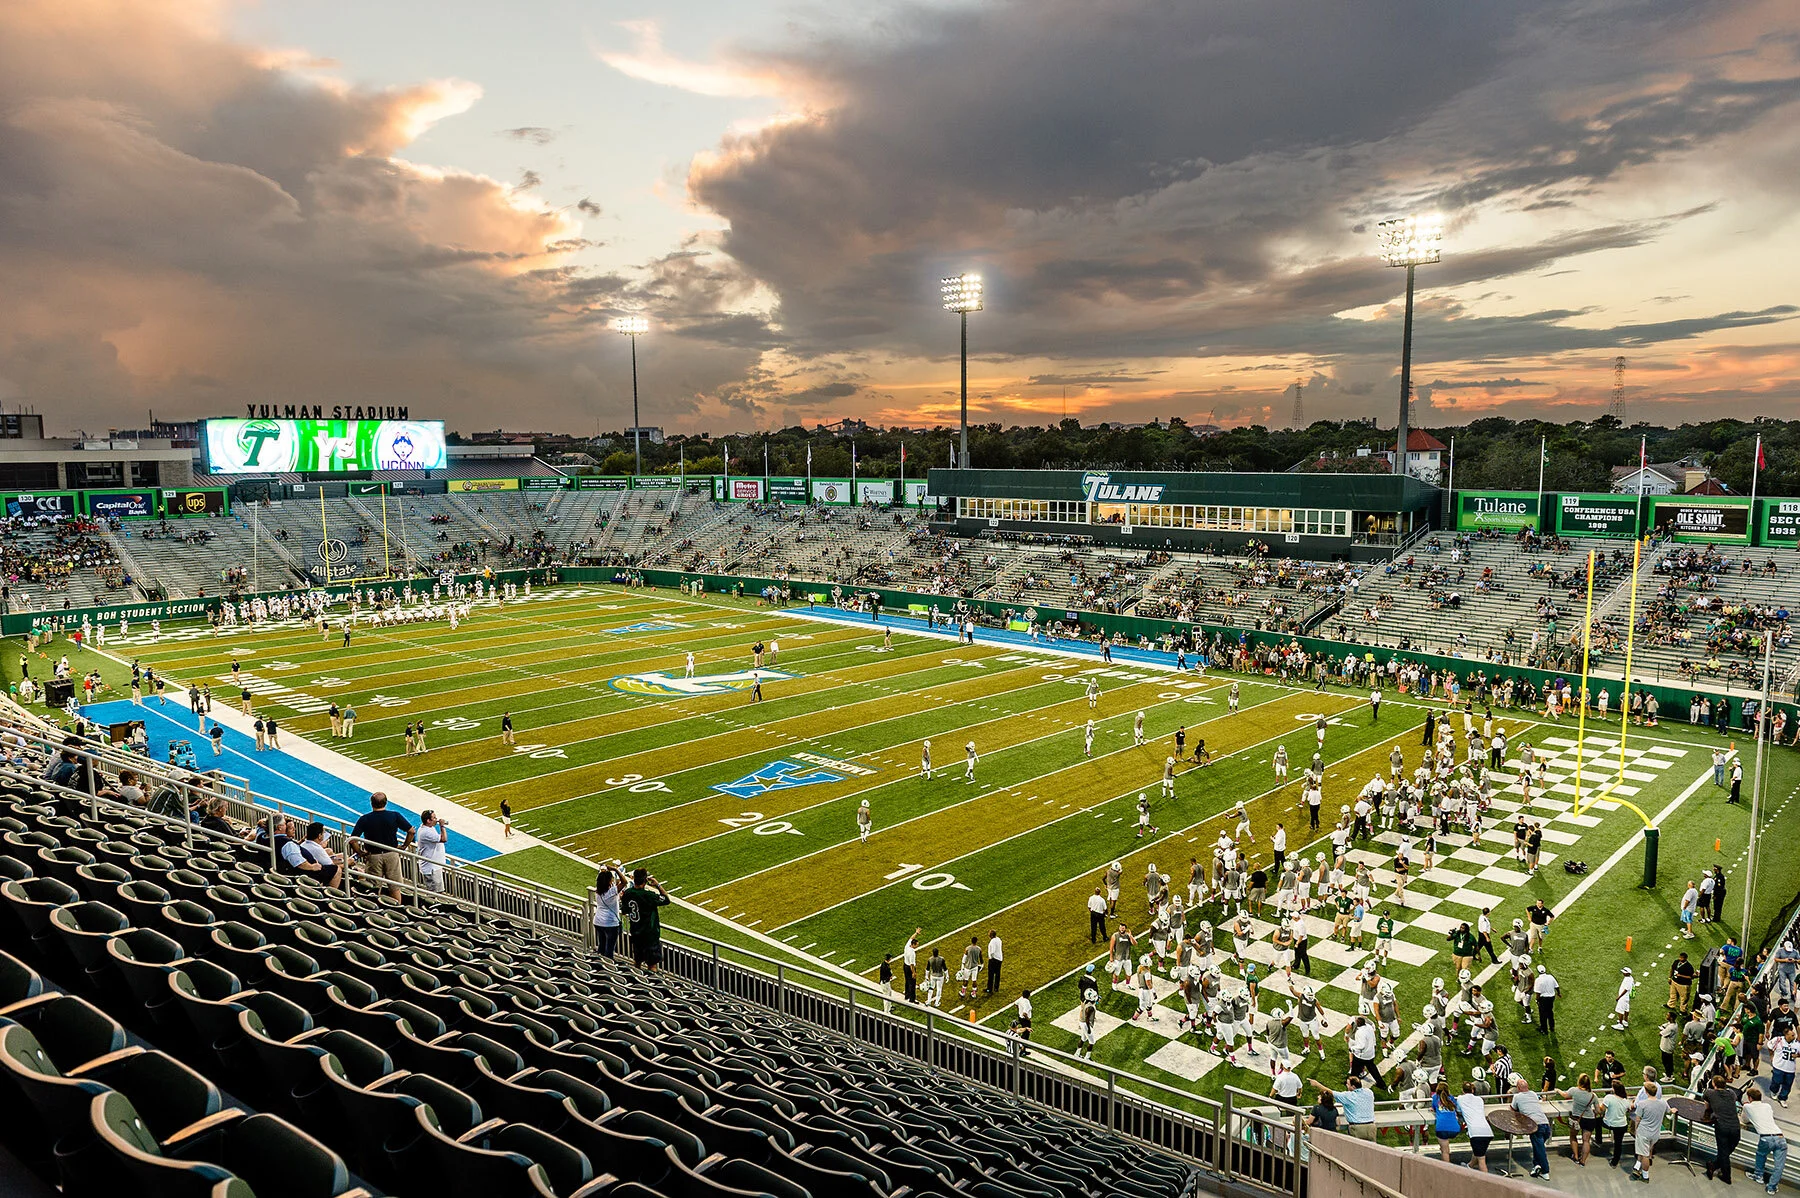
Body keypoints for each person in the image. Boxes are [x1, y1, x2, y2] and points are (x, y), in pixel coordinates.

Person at [350, 792, 415, 901]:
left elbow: (352, 840)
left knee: (373, 887)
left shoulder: (365, 819)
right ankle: (398, 910)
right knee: (395, 887)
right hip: (391, 854)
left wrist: (360, 852)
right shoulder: (394, 815)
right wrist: (404, 846)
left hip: (374, 856)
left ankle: (376, 908)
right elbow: (411, 831)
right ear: (386, 802)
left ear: (371, 803)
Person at [621, 868, 671, 972]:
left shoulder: (628, 893)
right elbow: (666, 900)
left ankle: (636, 980)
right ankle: (653, 984)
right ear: (645, 881)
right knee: (652, 965)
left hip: (635, 932)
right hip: (649, 935)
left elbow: (624, 910)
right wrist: (657, 885)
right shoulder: (648, 895)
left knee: (637, 962)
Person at [1744, 1085, 1787, 1193]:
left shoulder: (1747, 1107)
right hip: (1780, 1136)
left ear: (1750, 1098)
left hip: (1766, 1138)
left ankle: (1758, 1176)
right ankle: (1772, 1188)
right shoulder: (1767, 1106)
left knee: (1761, 1155)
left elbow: (1744, 1121)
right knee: (1779, 1166)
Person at [1512, 1075, 1553, 1178]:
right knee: (1538, 1147)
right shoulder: (1534, 1094)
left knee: (1540, 1149)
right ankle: (1536, 1165)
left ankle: (1545, 1171)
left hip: (1535, 1126)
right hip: (1545, 1124)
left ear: (1518, 1088)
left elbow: (1512, 1109)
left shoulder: (1517, 1097)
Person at [1705, 1072, 1742, 1183]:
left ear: (1713, 1084)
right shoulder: (1731, 1093)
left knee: (1723, 1152)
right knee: (1726, 1151)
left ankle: (1726, 1176)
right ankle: (1715, 1166)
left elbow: (1707, 1107)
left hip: (1722, 1126)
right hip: (1735, 1127)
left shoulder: (1709, 1093)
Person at [1631, 1080, 1669, 1183]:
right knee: (1644, 1151)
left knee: (1645, 1156)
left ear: (1646, 1092)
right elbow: (1669, 1111)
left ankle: (1645, 1176)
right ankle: (1637, 1166)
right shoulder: (1663, 1103)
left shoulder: (1643, 1104)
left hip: (1644, 1133)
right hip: (1655, 1134)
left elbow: (1637, 1119)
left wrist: (1636, 1130)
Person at [1561, 1074, 1598, 1166]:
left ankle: (1576, 1156)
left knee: (1573, 1136)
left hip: (1576, 1119)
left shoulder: (1574, 1090)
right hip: (1589, 1119)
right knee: (1586, 1140)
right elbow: (1598, 1110)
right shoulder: (1593, 1095)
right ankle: (1583, 1161)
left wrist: (1558, 1090)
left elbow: (1565, 1095)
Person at [1458, 1081, 1493, 1172]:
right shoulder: (1479, 1099)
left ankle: (1487, 1182)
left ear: (1462, 1090)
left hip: (1476, 1133)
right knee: (1478, 1152)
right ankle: (1470, 1165)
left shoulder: (1460, 1099)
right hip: (1487, 1132)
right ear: (1473, 1090)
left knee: (1481, 1160)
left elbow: (1458, 1110)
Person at [592, 864, 623, 957]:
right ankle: (608, 966)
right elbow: (624, 882)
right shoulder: (612, 891)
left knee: (602, 946)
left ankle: (599, 963)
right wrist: (615, 870)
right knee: (609, 949)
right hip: (610, 922)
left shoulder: (598, 891)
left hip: (598, 921)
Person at [416, 810, 449, 893]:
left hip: (433, 866)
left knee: (437, 891)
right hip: (431, 868)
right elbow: (444, 839)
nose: (436, 819)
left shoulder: (427, 828)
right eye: (434, 818)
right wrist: (442, 826)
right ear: (428, 820)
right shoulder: (426, 832)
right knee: (436, 893)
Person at [1600, 1080, 1632, 1167]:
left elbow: (1601, 1109)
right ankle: (1615, 1162)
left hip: (1609, 1123)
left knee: (1596, 1121)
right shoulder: (1626, 1101)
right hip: (1622, 1125)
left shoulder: (1609, 1097)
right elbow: (1629, 1109)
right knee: (1618, 1144)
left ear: (1614, 1089)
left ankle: (1598, 1139)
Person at [1430, 1081, 1463, 1162]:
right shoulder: (1451, 1098)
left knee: (1445, 1151)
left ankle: (1446, 1170)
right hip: (1455, 1129)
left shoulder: (1435, 1098)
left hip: (1442, 1128)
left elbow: (1434, 1108)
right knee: (1445, 1148)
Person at [985, 930, 1003, 996]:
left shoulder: (992, 942)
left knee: (991, 974)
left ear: (991, 935)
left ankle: (989, 988)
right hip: (999, 958)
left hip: (994, 959)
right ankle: (996, 987)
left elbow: (992, 951)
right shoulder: (998, 939)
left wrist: (991, 958)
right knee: (997, 974)